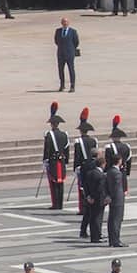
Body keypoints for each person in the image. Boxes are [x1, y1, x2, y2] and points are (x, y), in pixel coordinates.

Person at [73, 109, 99, 238]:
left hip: (83, 168)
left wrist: (76, 168)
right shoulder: (93, 141)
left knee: (82, 189)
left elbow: (77, 156)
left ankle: (82, 207)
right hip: (93, 167)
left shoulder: (78, 142)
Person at [42, 103, 69, 210]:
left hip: (53, 161)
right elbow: (66, 149)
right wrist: (66, 160)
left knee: (53, 184)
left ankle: (55, 203)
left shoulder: (49, 135)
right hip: (61, 161)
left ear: (52, 124)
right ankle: (60, 204)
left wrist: (45, 160)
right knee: (61, 183)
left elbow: (47, 149)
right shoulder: (64, 135)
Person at [83, 152, 108, 244]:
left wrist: (88, 196)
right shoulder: (101, 175)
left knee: (92, 218)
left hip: (90, 199)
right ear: (102, 164)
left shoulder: (89, 173)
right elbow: (100, 189)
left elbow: (85, 185)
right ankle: (97, 236)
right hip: (98, 199)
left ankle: (93, 236)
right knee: (98, 218)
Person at [105, 115, 132, 196]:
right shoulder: (127, 147)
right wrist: (127, 173)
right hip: (123, 172)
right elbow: (129, 161)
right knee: (121, 195)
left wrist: (106, 173)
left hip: (112, 173)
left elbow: (108, 162)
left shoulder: (109, 147)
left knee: (113, 194)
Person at [105, 150, 126, 248]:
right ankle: (116, 240)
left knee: (112, 220)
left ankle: (111, 240)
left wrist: (108, 195)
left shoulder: (109, 171)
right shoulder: (117, 173)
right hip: (117, 199)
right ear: (119, 161)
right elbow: (116, 188)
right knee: (117, 220)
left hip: (112, 199)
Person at [53, 17, 79, 93]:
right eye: (63, 22)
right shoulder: (58, 31)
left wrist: (71, 49)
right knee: (61, 70)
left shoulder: (73, 31)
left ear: (68, 23)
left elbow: (76, 42)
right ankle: (62, 85)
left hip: (70, 53)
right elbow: (56, 41)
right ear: (61, 23)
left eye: (66, 22)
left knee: (71, 69)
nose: (65, 23)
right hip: (61, 53)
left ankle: (72, 86)